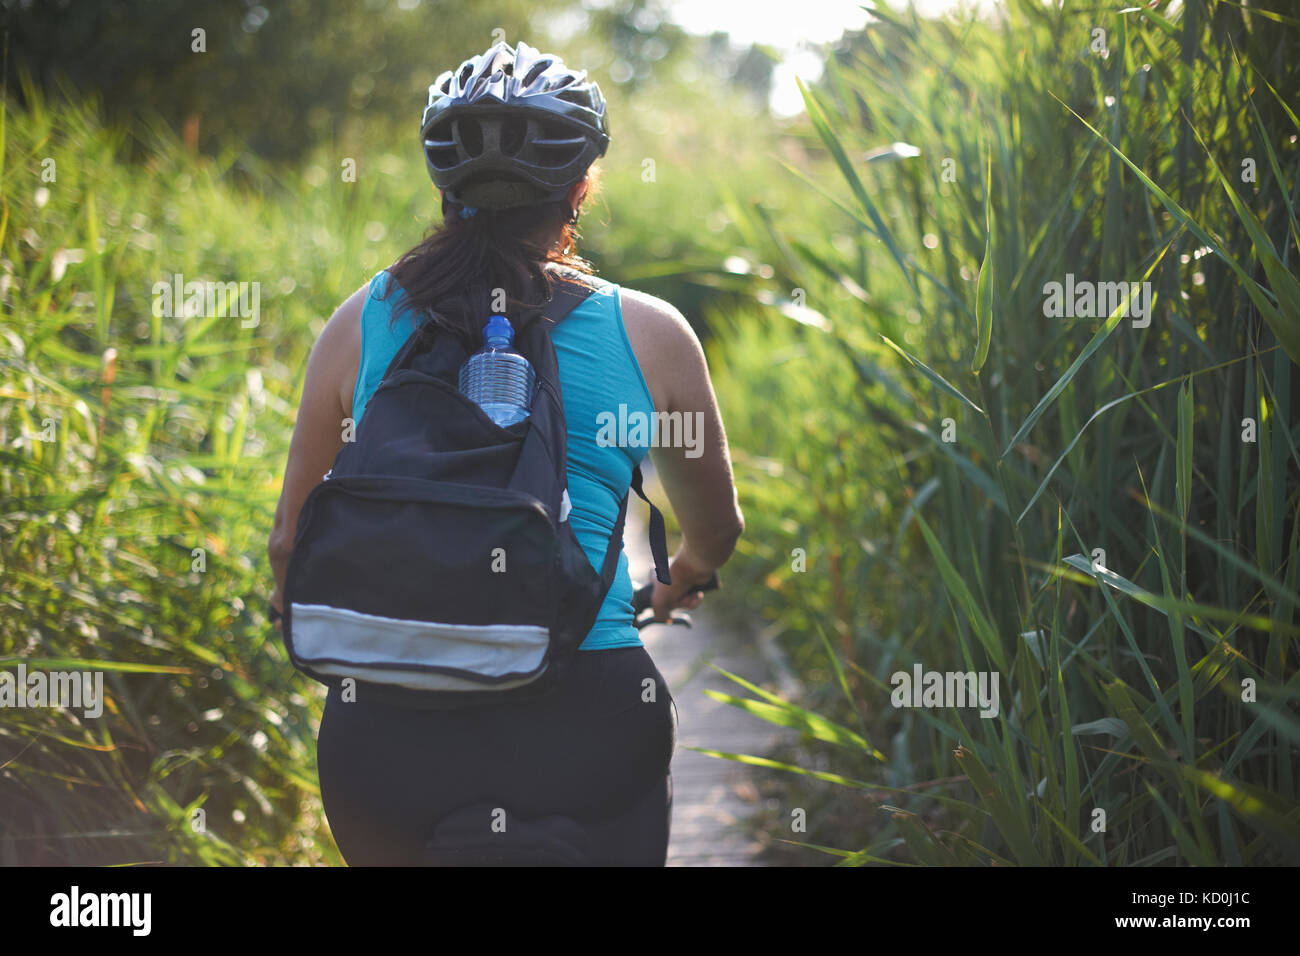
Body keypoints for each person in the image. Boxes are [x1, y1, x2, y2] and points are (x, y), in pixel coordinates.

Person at [266, 40, 743, 866]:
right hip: (588, 723)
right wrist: (675, 582)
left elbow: (290, 541)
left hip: (383, 739)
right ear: (580, 186)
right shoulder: (653, 333)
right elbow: (717, 527)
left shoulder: (361, 319)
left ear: (443, 186)